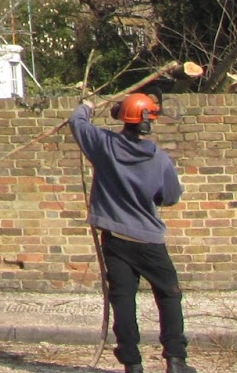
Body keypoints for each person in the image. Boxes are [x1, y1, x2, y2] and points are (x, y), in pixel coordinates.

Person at [69, 93, 196, 373]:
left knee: (123, 298)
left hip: (115, 240)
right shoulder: (159, 160)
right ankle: (176, 360)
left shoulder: (103, 145)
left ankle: (132, 363)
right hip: (149, 240)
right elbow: (170, 197)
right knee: (169, 296)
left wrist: (87, 105)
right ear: (149, 122)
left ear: (120, 116)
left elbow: (77, 122)